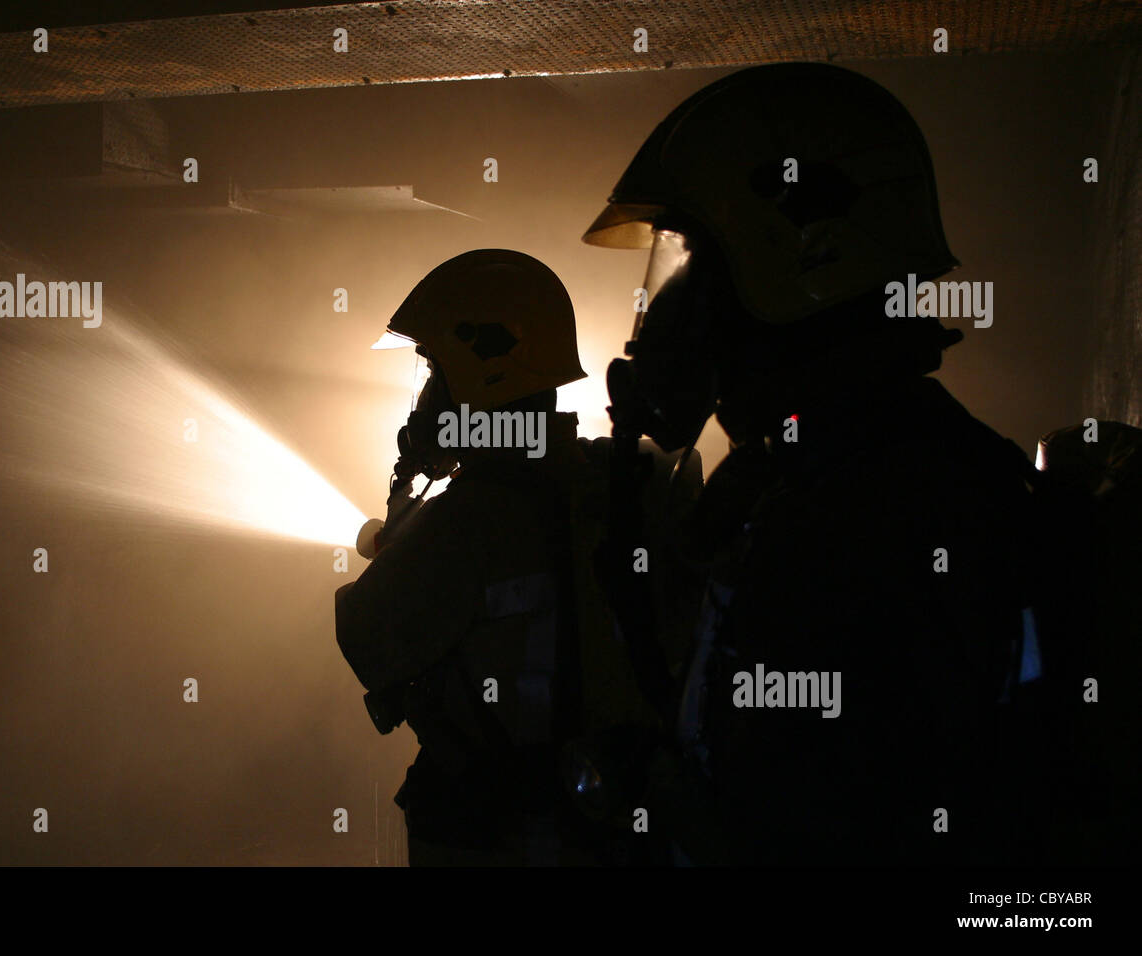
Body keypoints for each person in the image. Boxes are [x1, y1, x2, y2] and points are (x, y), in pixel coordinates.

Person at [582, 62, 1044, 864]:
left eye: (692, 264)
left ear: (792, 264)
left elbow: (794, 823)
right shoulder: (828, 467)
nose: (666, 309)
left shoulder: (871, 506)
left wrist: (647, 801)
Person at [335, 249, 702, 865]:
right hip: (619, 832)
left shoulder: (466, 521)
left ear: (480, 373)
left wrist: (410, 487)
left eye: (434, 373)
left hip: (497, 835)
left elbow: (366, 637)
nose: (427, 397)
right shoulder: (621, 484)